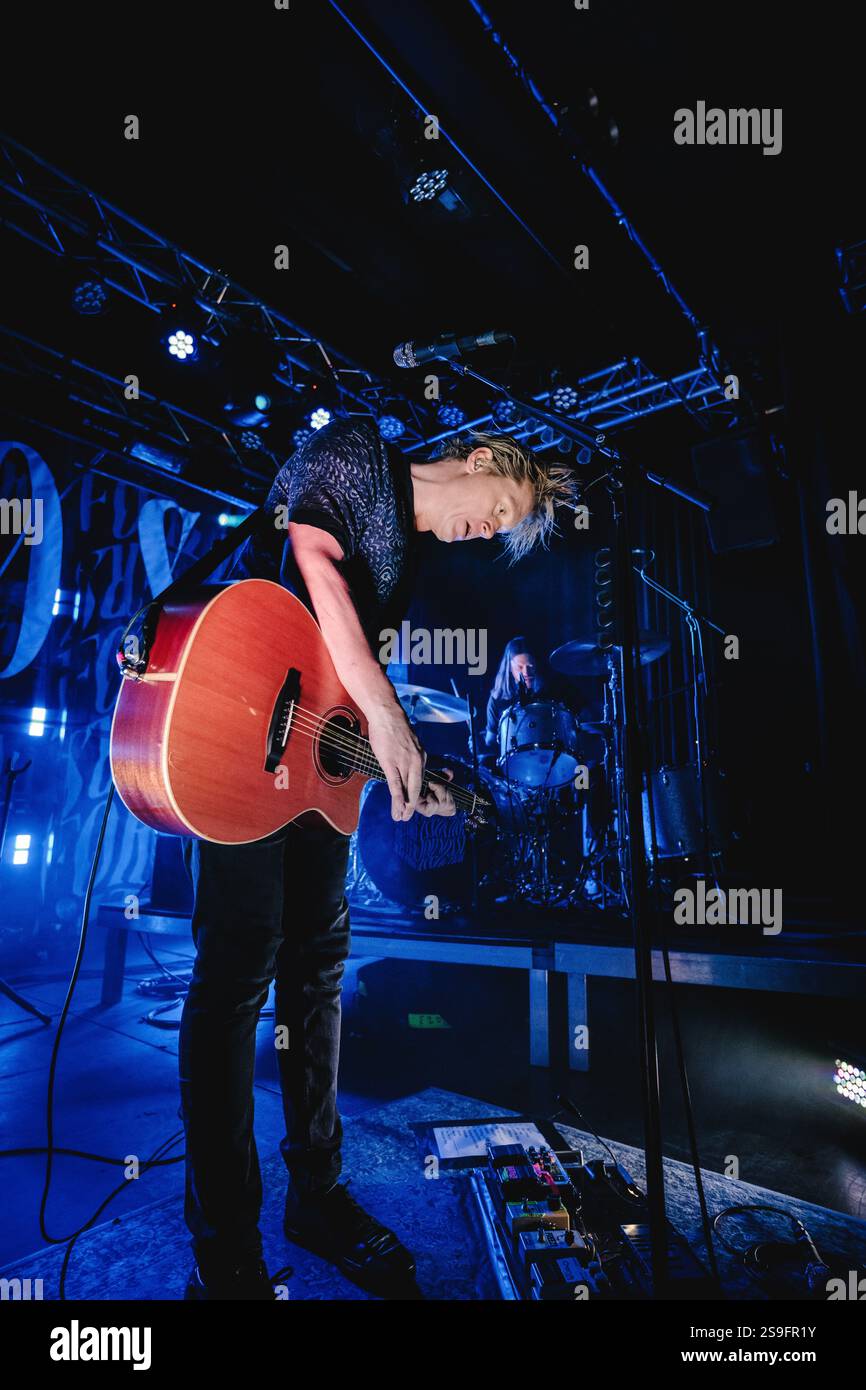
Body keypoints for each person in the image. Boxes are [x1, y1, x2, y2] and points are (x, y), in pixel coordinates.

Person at [179, 416, 575, 1299]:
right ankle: (224, 1244)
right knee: (234, 977)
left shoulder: (418, 561)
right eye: (499, 507)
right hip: (240, 728)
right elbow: (312, 565)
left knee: (317, 972)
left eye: (503, 530)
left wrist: (406, 773)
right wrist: (391, 716)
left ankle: (316, 1197)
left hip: (311, 769)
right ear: (480, 462)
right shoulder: (360, 451)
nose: (489, 530)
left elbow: (338, 689)